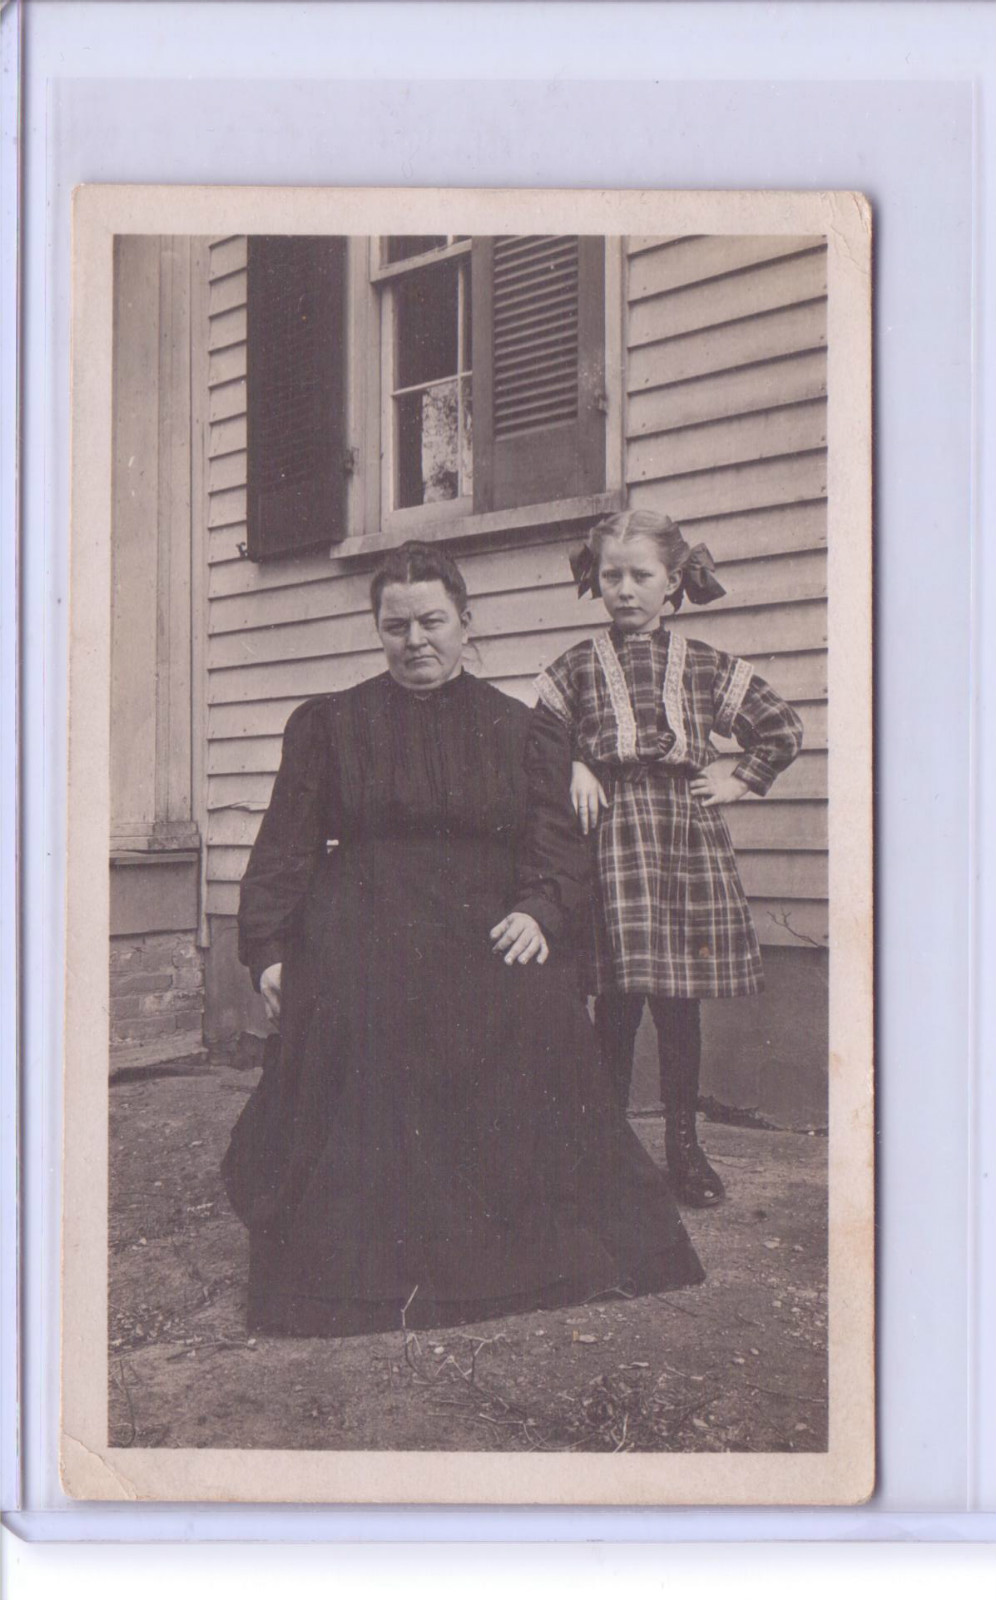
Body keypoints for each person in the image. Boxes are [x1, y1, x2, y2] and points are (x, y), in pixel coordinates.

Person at [222, 540, 704, 1337]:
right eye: (396, 626)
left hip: (488, 920)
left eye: (433, 622)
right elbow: (285, 848)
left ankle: (512, 1247)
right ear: (378, 630)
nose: (416, 641)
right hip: (365, 919)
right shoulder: (330, 726)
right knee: (352, 1009)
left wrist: (540, 910)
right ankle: (364, 1263)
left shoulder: (521, 730)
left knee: (535, 1004)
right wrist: (269, 951)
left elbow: (557, 844)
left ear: (465, 623)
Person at [533, 510, 804, 1209]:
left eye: (640, 575)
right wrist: (575, 766)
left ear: (673, 581)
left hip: (684, 843)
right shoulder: (576, 666)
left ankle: (684, 1149)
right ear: (595, 580)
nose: (624, 589)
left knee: (678, 1006)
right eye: (611, 576)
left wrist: (739, 779)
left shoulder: (705, 664)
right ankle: (603, 1152)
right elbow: (534, 741)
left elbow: (780, 726)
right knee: (616, 1005)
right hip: (610, 843)